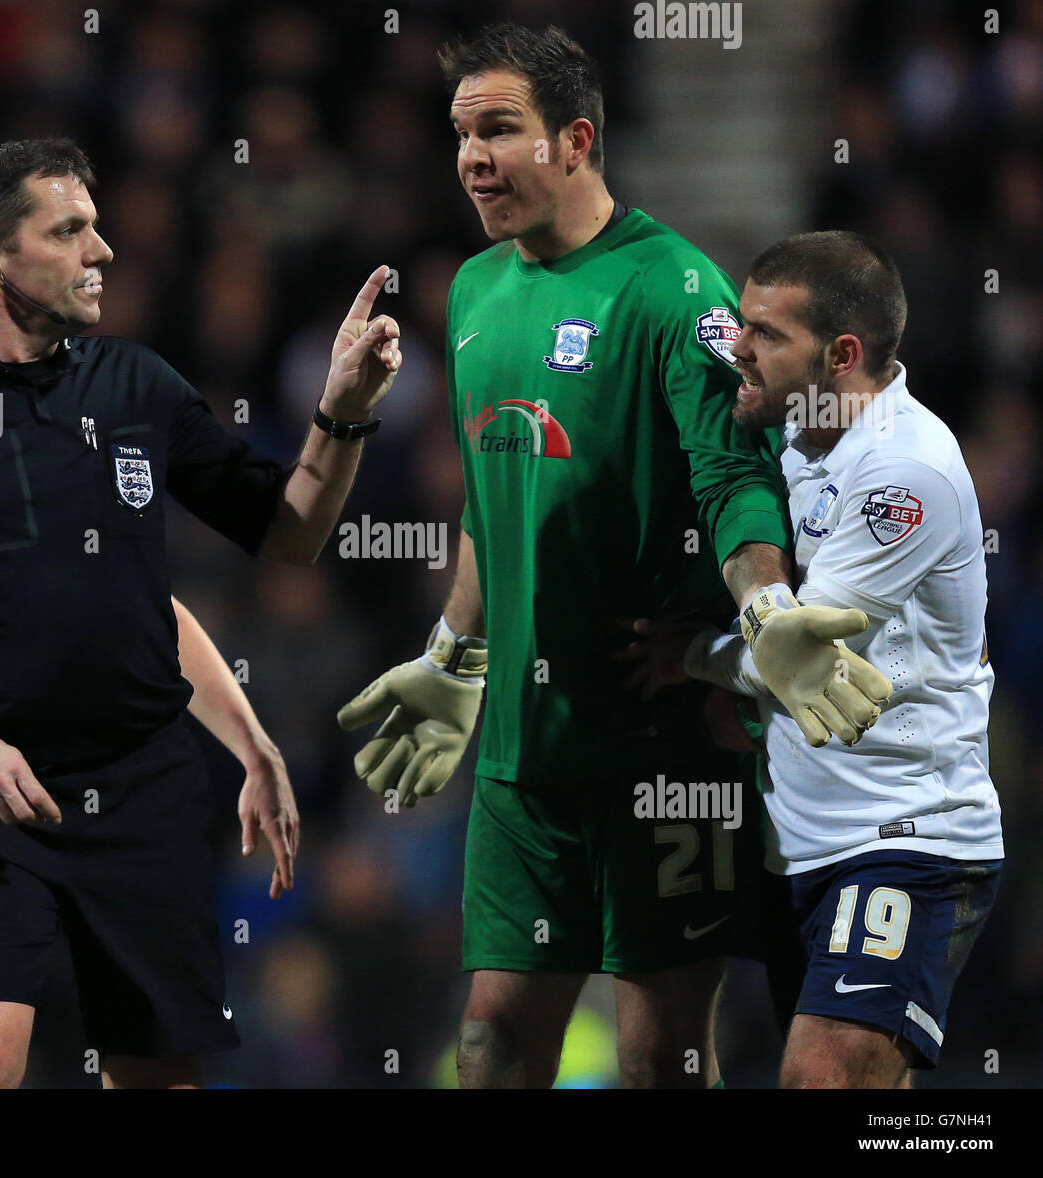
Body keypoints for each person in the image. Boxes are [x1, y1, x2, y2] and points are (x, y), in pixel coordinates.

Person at [338, 23, 891, 1089]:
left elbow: (731, 479)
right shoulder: (471, 291)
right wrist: (456, 653)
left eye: (499, 130)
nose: (471, 158)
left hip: (660, 743)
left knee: (658, 1055)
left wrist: (766, 612)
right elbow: (487, 501)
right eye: (460, 134)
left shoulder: (674, 291)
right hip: (520, 751)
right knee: (491, 1036)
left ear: (576, 139)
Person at [0, 138, 401, 1089]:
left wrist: (342, 412)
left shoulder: (137, 384)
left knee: (159, 1077)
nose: (103, 250)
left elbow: (289, 531)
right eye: (70, 229)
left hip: (143, 792)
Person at [616, 231, 1003, 1088]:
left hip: (908, 836)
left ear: (843, 354)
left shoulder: (904, 473)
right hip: (794, 838)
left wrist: (694, 658)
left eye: (764, 334)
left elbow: (798, 667)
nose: (734, 347)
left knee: (820, 1078)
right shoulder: (791, 438)